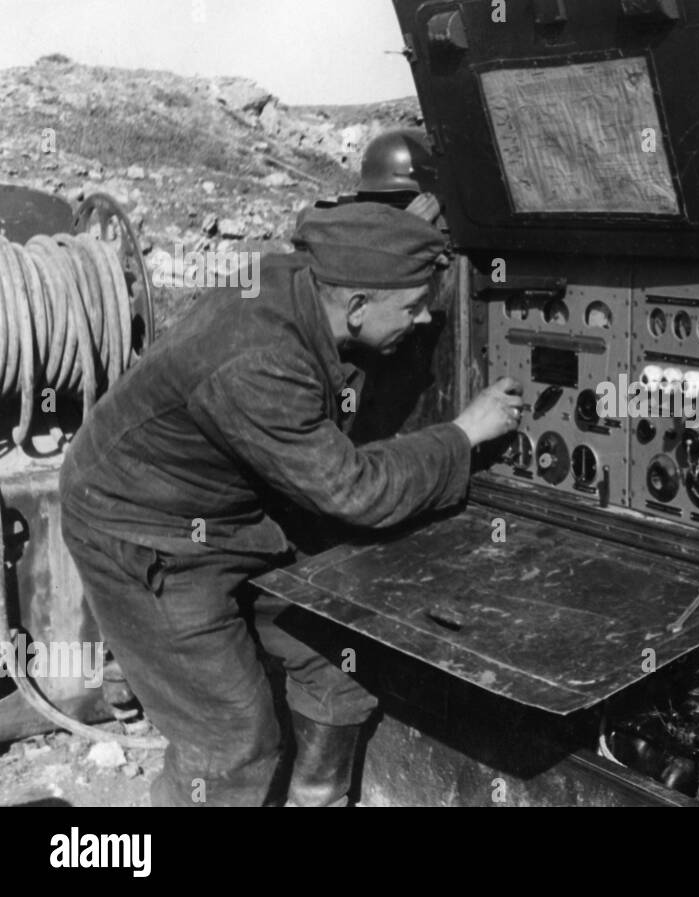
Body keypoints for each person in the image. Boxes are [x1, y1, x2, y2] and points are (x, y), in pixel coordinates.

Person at [59, 201, 522, 807]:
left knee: (335, 656)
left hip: (230, 510)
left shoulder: (300, 283)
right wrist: (462, 434)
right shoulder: (260, 362)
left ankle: (316, 798)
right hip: (143, 531)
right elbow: (355, 491)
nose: (422, 319)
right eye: (411, 308)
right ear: (356, 308)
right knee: (232, 744)